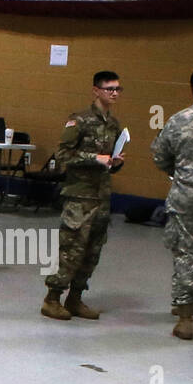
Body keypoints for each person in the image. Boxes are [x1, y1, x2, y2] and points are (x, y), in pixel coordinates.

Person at [42, 70, 125, 321]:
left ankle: (75, 298)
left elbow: (107, 160)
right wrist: (94, 158)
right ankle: (52, 298)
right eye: (109, 88)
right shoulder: (79, 120)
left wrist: (115, 162)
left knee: (92, 252)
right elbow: (62, 156)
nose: (114, 93)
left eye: (117, 89)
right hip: (80, 197)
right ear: (96, 90)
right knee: (72, 249)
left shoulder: (113, 124)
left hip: (101, 197)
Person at [151, 66, 193, 341]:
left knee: (186, 257)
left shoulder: (178, 120)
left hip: (185, 199)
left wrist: (182, 172)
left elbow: (160, 156)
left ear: (192, 89)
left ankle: (185, 320)